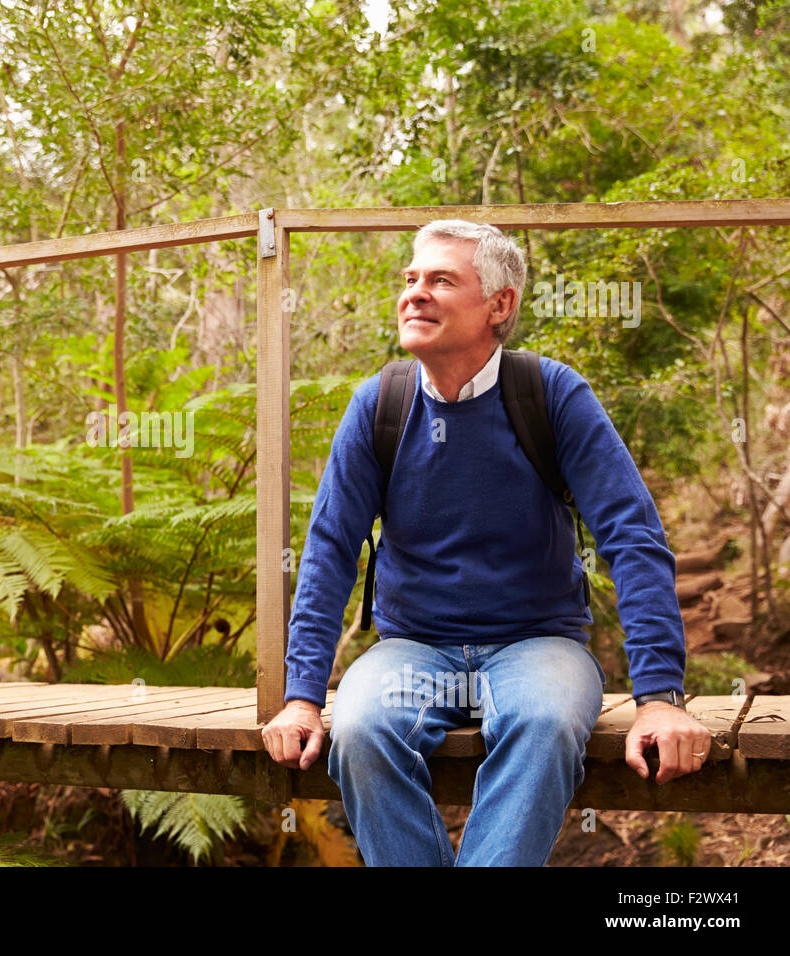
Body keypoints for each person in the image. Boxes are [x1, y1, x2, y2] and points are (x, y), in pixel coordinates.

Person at [260, 219, 712, 866]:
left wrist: (661, 698)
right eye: (411, 278)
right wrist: (302, 696)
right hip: (411, 650)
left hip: (539, 648)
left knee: (545, 724)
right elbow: (332, 547)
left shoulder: (552, 395)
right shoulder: (377, 406)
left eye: (441, 280)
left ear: (500, 305)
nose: (415, 293)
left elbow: (632, 537)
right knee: (357, 730)